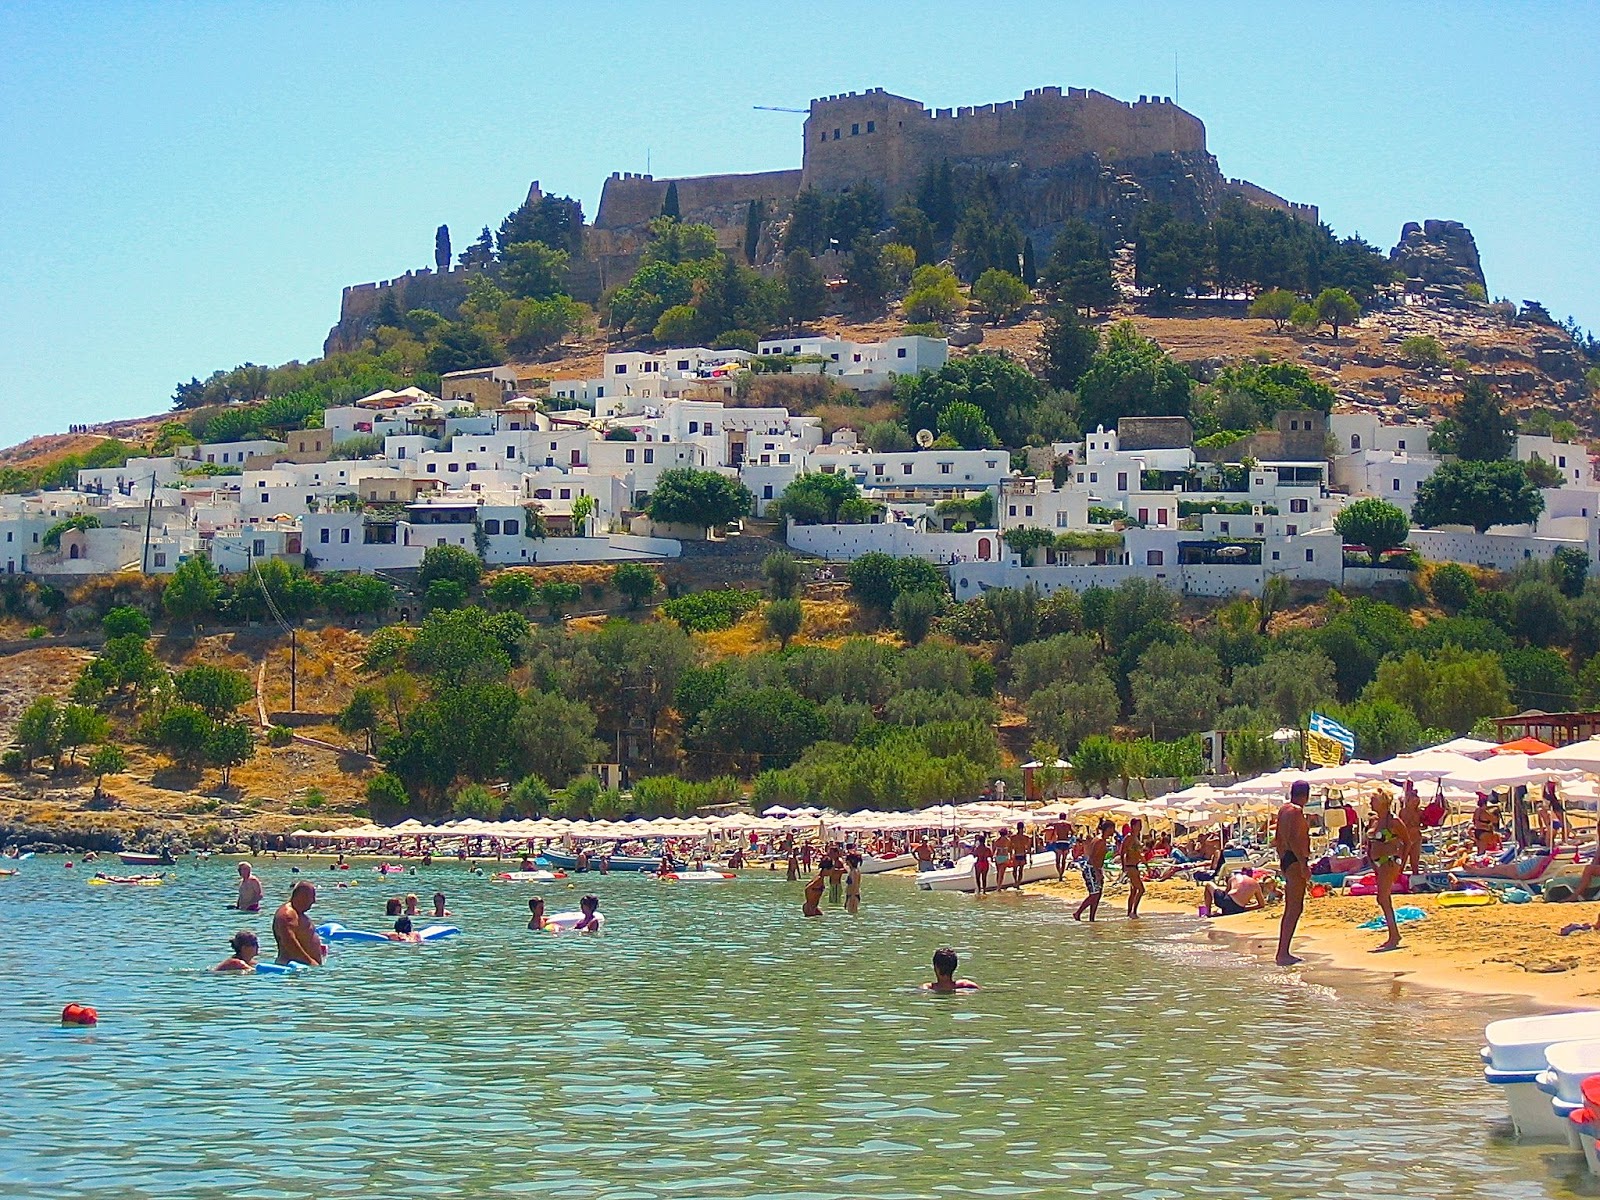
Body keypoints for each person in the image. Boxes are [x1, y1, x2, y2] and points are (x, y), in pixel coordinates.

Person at [1274, 780, 1312, 966]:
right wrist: (1303, 863)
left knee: (1291, 907)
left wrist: (1283, 859)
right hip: (1295, 860)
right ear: (1306, 795)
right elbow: (1294, 840)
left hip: (1287, 859)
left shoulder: (1283, 811)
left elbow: (1278, 839)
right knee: (1295, 907)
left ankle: (1283, 951)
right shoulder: (1296, 811)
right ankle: (1283, 953)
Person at [1367, 790, 1407, 951]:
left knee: (1382, 897)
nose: (1370, 803)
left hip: (1389, 861)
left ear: (1382, 802)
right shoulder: (1375, 820)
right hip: (1377, 862)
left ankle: (1394, 934)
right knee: (1384, 898)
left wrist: (1401, 865)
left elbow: (1407, 842)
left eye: (1373, 800)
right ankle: (1394, 934)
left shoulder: (1393, 821)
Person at [272, 881, 326, 966]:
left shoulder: (298, 914)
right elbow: (288, 941)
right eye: (312, 897)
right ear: (302, 896)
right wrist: (310, 962)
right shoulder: (288, 914)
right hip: (295, 969)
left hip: (304, 969)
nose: (314, 901)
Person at [1074, 821, 1111, 922]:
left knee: (1098, 894)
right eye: (1112, 829)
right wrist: (1097, 873)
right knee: (1094, 894)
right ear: (1107, 829)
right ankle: (1078, 913)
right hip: (1091, 869)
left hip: (1096, 869)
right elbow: (1093, 857)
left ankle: (1092, 918)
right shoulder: (1099, 841)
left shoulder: (1102, 840)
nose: (1113, 831)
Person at [1120, 817, 1145, 919]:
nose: (1140, 827)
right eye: (1138, 825)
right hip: (1130, 867)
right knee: (1141, 889)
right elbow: (1122, 852)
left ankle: (1129, 912)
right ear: (1133, 826)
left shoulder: (1136, 837)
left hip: (1135, 866)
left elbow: (1138, 853)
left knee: (1134, 890)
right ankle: (1133, 912)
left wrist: (1146, 865)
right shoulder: (1129, 837)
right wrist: (1123, 866)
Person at [1399, 781, 1424, 874]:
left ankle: (1415, 878)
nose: (1415, 803)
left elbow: (1424, 825)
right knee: (1402, 861)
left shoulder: (1419, 812)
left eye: (1416, 801)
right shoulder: (1403, 812)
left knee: (1415, 862)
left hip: (1416, 837)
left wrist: (1417, 828)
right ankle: (1398, 878)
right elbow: (1400, 825)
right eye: (1413, 801)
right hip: (1406, 838)